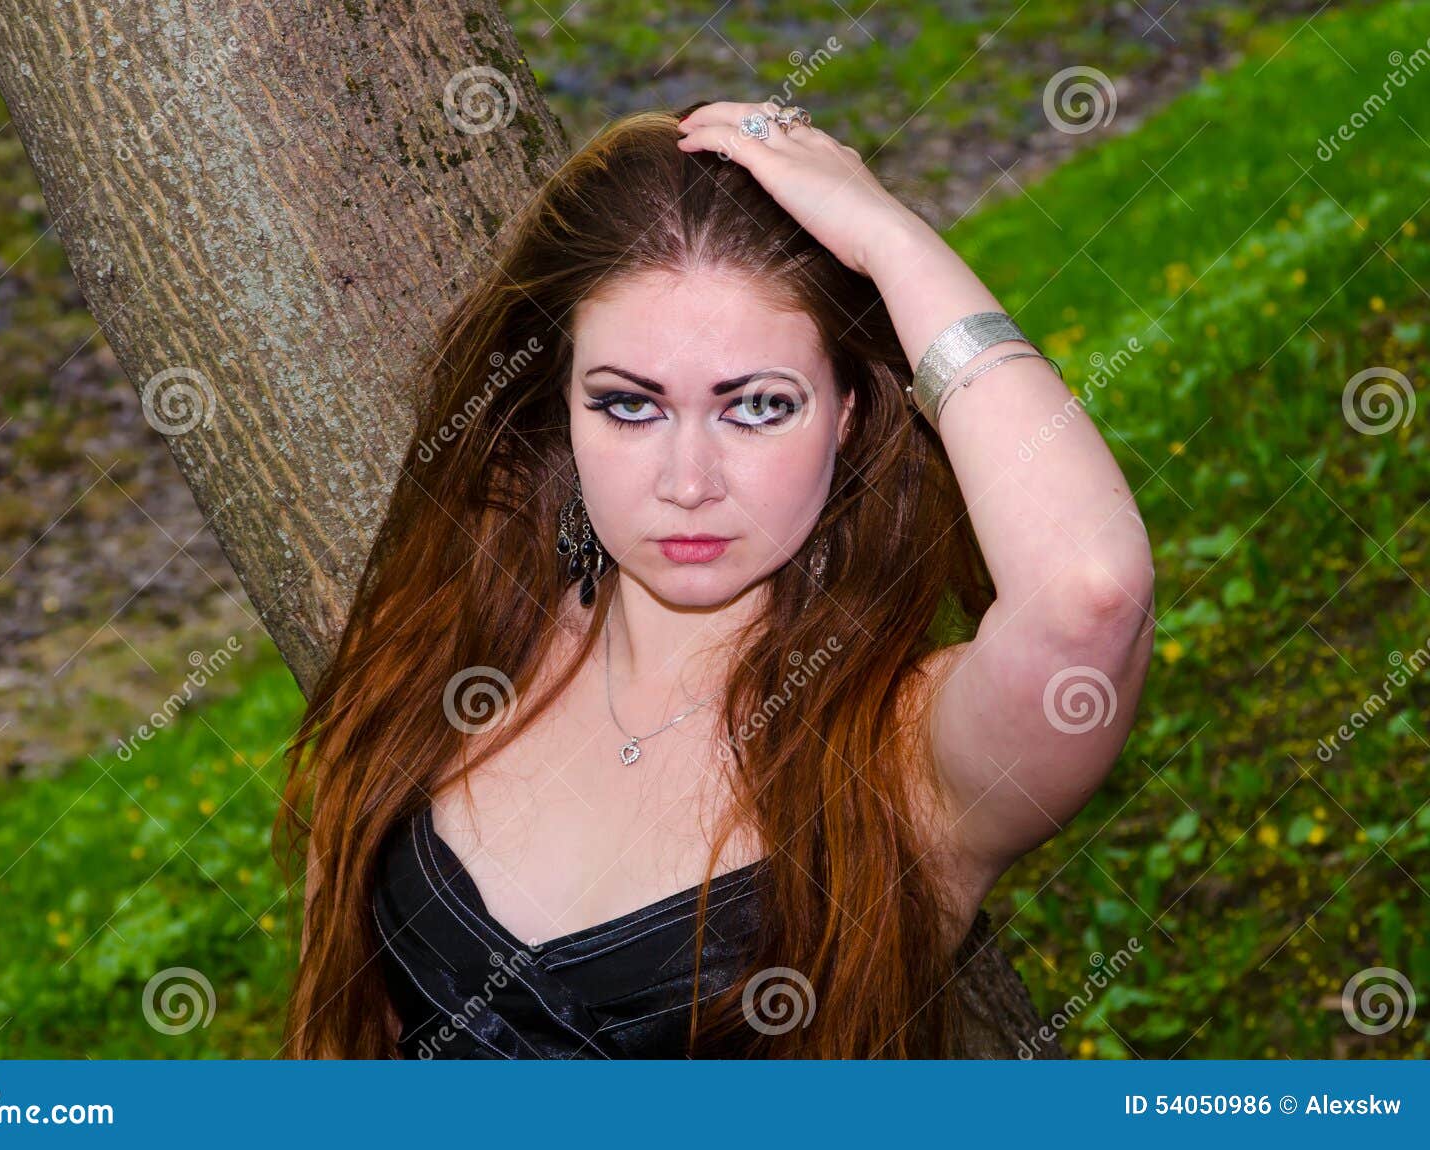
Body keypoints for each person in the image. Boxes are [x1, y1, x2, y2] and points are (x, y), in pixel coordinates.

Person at [275, 99, 1156, 1059]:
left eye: (760, 407)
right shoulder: (446, 654)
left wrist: (892, 240)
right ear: (561, 408)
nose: (687, 484)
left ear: (851, 415)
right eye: (627, 405)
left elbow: (1089, 598)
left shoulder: (905, 755)